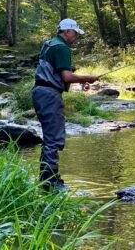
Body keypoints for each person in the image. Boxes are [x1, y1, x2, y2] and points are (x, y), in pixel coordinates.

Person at [32, 19, 99, 191]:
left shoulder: (49, 44)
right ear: (67, 31)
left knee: (50, 138)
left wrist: (79, 81)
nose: (76, 37)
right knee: (53, 139)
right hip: (49, 95)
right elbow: (67, 77)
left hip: (41, 93)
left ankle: (47, 179)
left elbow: (55, 71)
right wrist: (86, 78)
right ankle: (50, 182)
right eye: (75, 33)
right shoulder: (61, 47)